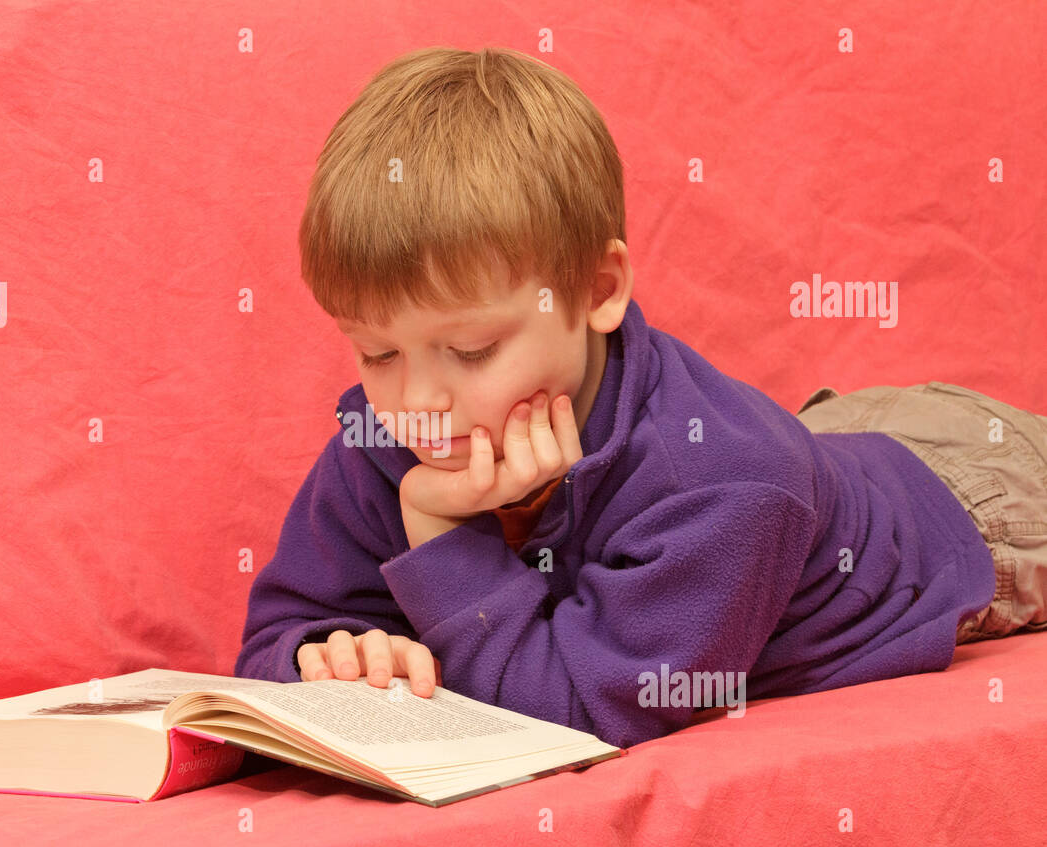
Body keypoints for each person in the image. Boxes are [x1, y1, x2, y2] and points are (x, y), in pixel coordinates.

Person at [232, 46, 1047, 750]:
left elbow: (582, 710)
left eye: (473, 349)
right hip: (827, 444)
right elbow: (276, 637)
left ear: (599, 289)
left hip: (979, 498)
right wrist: (326, 652)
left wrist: (443, 534)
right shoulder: (391, 431)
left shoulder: (728, 482)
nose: (418, 399)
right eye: (376, 351)